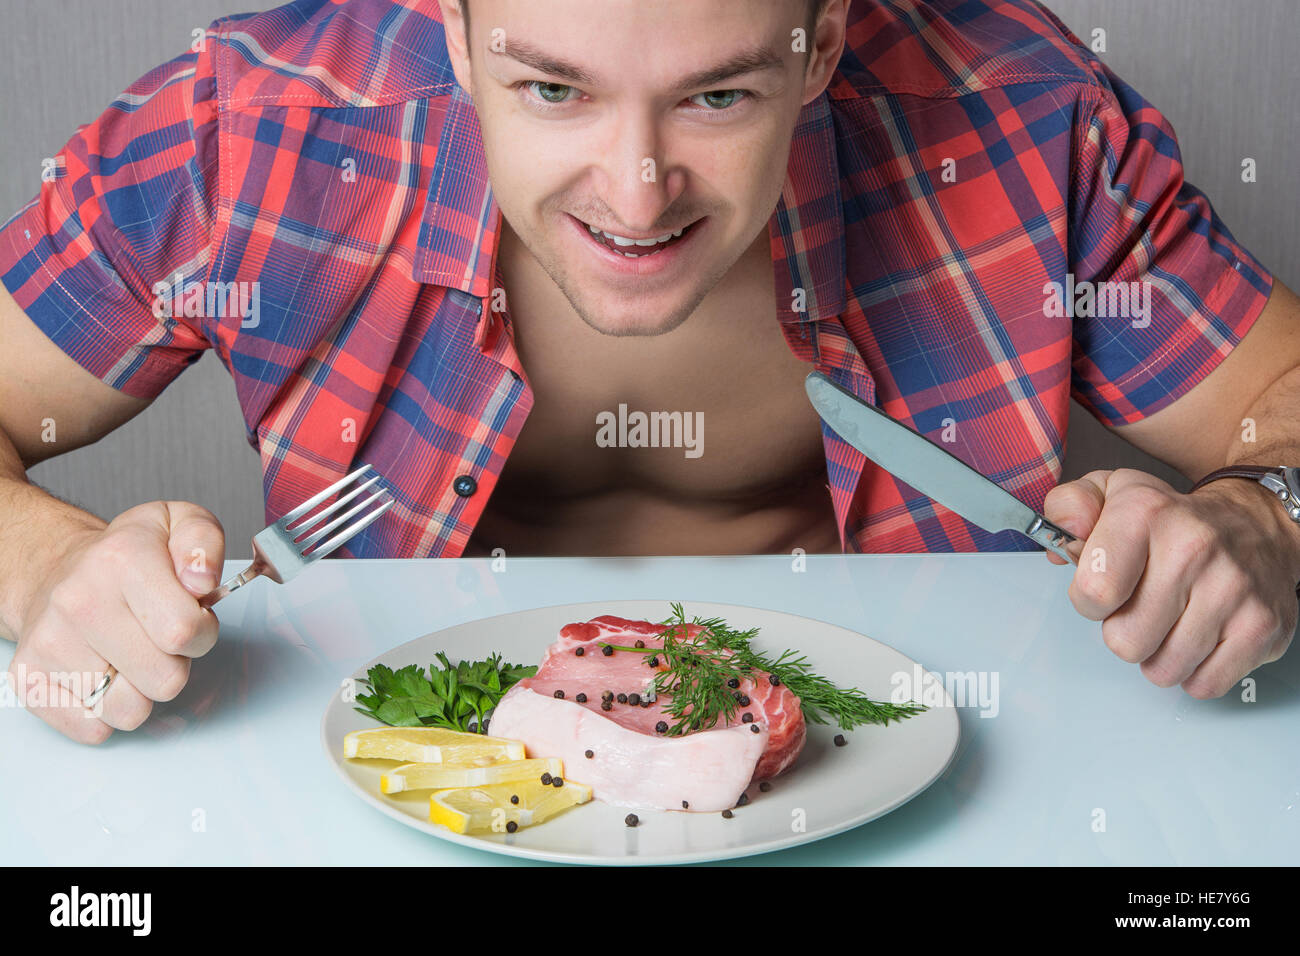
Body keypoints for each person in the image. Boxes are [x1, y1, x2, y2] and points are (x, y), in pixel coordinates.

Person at [1, 0, 1297, 744]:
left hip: (909, 786)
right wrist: (45, 563)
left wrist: (1263, 518)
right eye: (554, 89)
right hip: (406, 794)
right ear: (454, 33)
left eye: (718, 99)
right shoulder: (251, 130)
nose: (635, 193)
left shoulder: (1022, 115)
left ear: (823, 39)